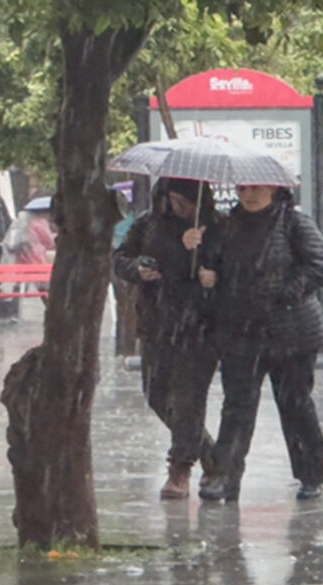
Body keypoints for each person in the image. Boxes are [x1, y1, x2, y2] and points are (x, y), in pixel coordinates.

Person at [197, 183, 323, 503]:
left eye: (257, 188)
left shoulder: (294, 223)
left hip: (292, 333)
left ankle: (310, 475)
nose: (250, 195)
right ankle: (225, 477)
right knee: (237, 407)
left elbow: (320, 266)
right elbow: (210, 266)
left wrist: (282, 294)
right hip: (241, 333)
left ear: (275, 189)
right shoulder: (225, 226)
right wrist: (203, 263)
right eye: (243, 189)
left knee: (295, 403)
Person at [114, 178, 221, 499]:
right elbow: (120, 258)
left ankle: (180, 468)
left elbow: (229, 266)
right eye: (172, 200)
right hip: (157, 321)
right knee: (156, 393)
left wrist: (201, 257)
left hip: (200, 324)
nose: (179, 208)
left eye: (185, 202)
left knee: (189, 399)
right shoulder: (149, 224)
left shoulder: (217, 226)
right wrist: (137, 269)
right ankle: (212, 454)